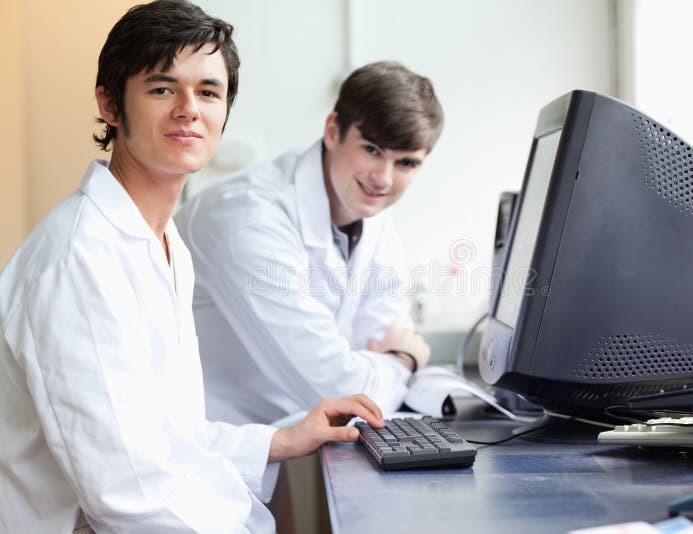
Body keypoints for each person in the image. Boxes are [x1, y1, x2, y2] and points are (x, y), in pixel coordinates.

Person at [0, 1, 384, 532]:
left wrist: (283, 438)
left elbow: (167, 435)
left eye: (208, 91)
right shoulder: (80, 261)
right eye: (162, 89)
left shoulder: (161, 241)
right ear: (110, 105)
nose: (189, 109)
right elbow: (127, 493)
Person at [174, 61, 444, 425]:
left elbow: (387, 328)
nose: (383, 178)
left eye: (406, 163)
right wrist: (404, 361)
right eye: (371, 150)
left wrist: (385, 360)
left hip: (280, 432)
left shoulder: (368, 206)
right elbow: (339, 393)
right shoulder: (249, 220)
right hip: (213, 439)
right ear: (333, 131)